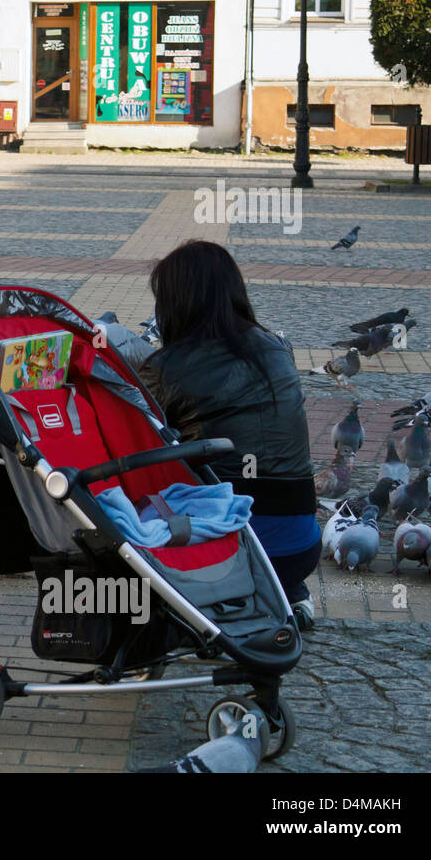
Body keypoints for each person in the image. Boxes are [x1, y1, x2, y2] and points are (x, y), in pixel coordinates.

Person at [134, 240, 321, 630]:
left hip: (231, 552)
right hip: (300, 546)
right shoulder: (277, 349)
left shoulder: (166, 368)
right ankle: (288, 594)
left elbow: (133, 442)